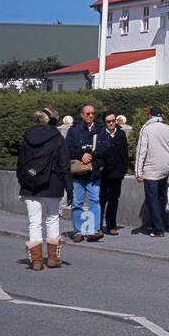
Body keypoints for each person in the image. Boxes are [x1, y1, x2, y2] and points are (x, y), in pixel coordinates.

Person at [17, 106, 71, 269]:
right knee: (53, 218)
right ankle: (53, 258)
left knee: (34, 222)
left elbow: (21, 161)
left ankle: (37, 260)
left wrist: (23, 179)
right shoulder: (57, 137)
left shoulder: (28, 135)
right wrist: (69, 187)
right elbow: (64, 164)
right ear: (54, 120)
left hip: (31, 184)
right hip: (52, 182)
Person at [135, 105, 169, 238]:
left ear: (151, 116)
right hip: (165, 168)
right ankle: (164, 223)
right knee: (162, 198)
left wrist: (138, 172)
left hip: (151, 169)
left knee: (152, 199)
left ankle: (158, 228)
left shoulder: (146, 129)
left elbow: (141, 152)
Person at [64, 102, 106, 241]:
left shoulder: (100, 129)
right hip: (78, 173)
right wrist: (81, 154)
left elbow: (106, 147)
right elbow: (67, 149)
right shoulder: (74, 130)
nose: (91, 116)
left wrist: (92, 156)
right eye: (88, 113)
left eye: (93, 113)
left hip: (94, 173)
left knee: (94, 200)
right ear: (82, 115)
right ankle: (78, 231)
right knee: (77, 203)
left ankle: (93, 230)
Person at [98, 109, 129, 235]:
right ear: (105, 123)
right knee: (101, 199)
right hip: (103, 173)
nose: (111, 124)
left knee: (114, 199)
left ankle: (111, 225)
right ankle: (98, 226)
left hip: (117, 173)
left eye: (113, 121)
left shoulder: (120, 134)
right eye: (108, 122)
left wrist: (123, 170)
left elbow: (124, 154)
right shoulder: (100, 134)